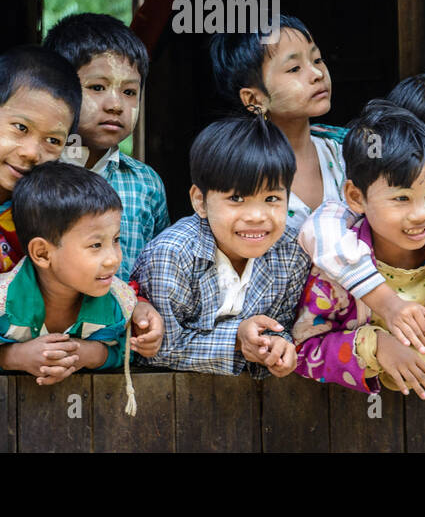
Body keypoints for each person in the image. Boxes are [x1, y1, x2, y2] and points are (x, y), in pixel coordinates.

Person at [292, 102, 425, 398]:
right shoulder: (334, 272)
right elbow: (303, 349)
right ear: (356, 197)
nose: (421, 213)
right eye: (401, 198)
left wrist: (421, 363)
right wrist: (376, 348)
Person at [130, 116, 310, 378]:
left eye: (272, 198)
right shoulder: (172, 254)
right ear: (200, 201)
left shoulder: (292, 252)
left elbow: (284, 326)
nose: (257, 216)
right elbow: (158, 348)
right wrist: (237, 339)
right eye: (236, 198)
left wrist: (276, 345)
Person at [0, 162, 156, 414]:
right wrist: (13, 357)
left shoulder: (117, 301)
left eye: (115, 240)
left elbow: (125, 350)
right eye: (96, 245)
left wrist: (90, 354)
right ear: (42, 253)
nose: (114, 258)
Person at [43, 13, 171, 280]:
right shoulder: (37, 170)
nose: (115, 105)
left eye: (129, 92)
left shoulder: (147, 183)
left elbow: (160, 269)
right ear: (58, 89)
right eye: (97, 87)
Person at [208, 14, 345, 234]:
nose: (318, 74)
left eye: (317, 59)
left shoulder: (346, 153)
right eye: (294, 69)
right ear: (254, 99)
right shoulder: (240, 173)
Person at [0, 46, 81, 278]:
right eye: (21, 128)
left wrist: (135, 303)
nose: (32, 153)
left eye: (53, 140)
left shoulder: (51, 216)